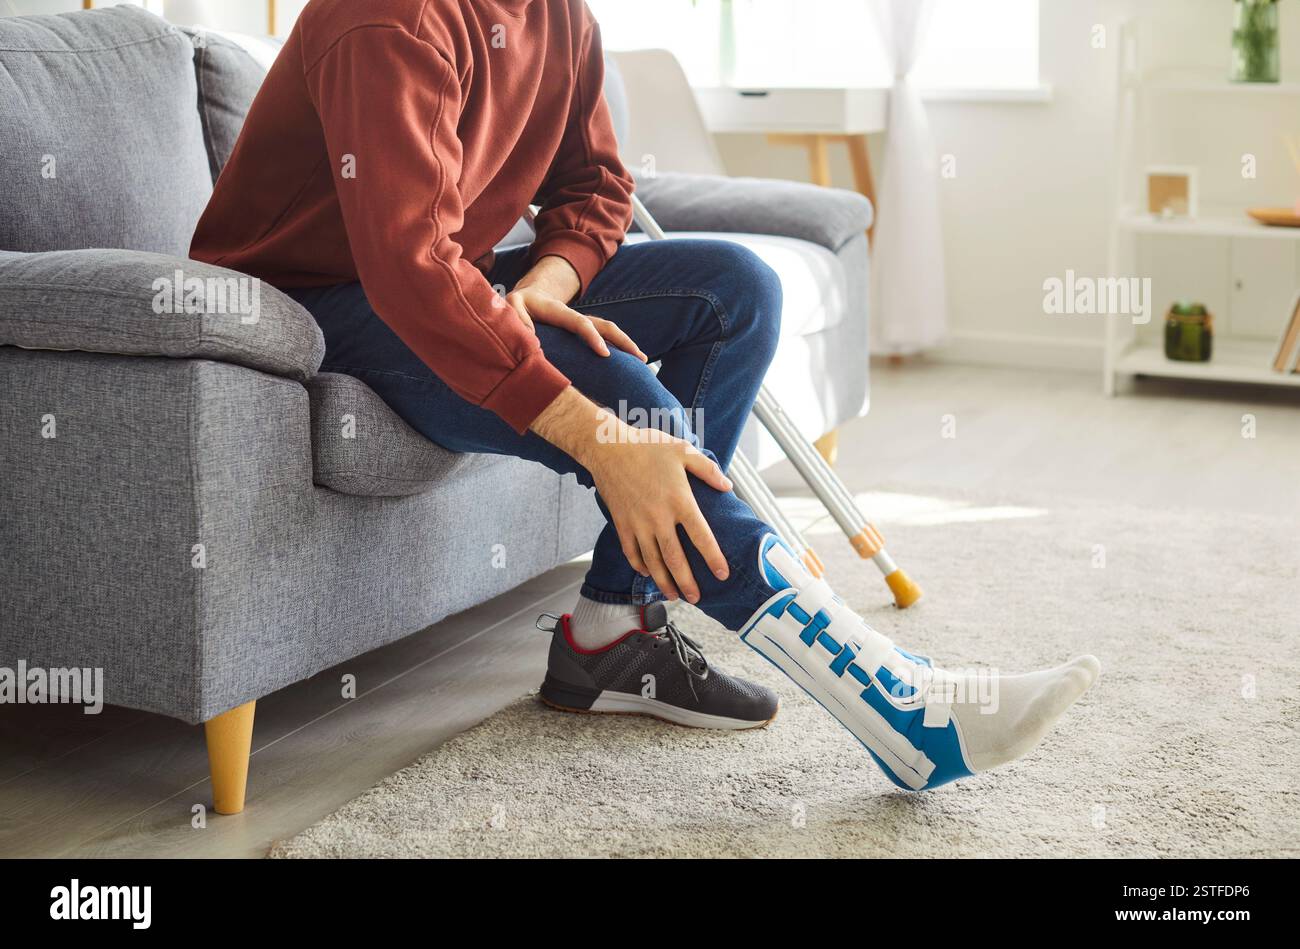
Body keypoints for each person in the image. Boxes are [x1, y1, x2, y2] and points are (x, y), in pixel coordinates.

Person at [191, 0, 1098, 790]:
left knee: (737, 288)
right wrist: (596, 431)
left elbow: (595, 186)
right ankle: (899, 707)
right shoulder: (388, 15)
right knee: (638, 420)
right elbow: (406, 263)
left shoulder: (562, 16)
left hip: (442, 276)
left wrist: (547, 282)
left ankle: (610, 630)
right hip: (313, 307)